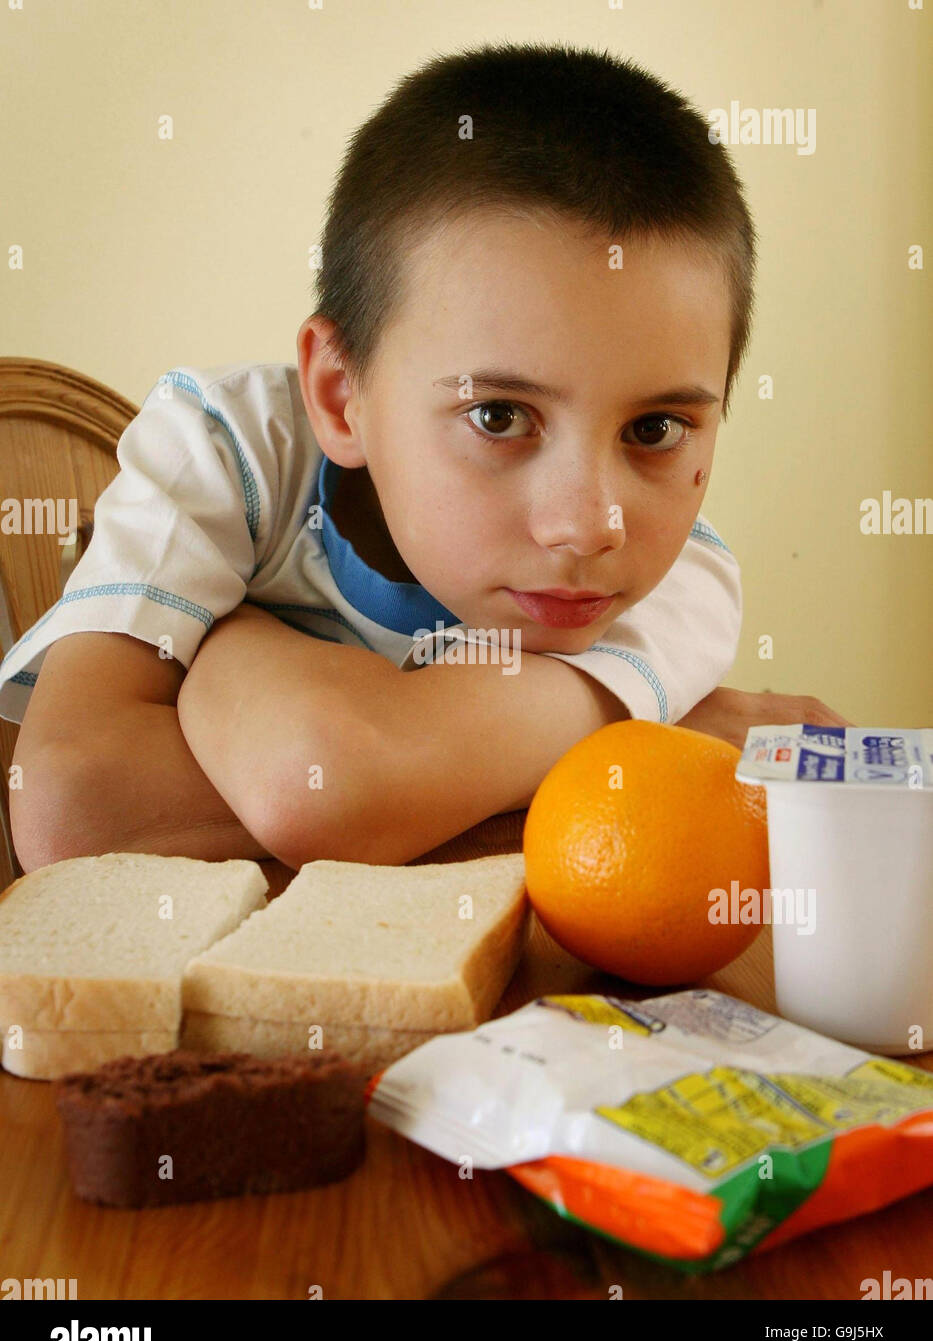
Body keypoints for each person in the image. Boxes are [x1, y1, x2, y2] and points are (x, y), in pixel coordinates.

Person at [2, 42, 849, 872]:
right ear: (340, 395)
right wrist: (620, 751)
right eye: (498, 414)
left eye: (655, 430)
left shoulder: (680, 593)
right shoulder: (228, 452)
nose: (587, 525)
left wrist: (225, 641)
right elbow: (71, 806)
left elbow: (322, 786)